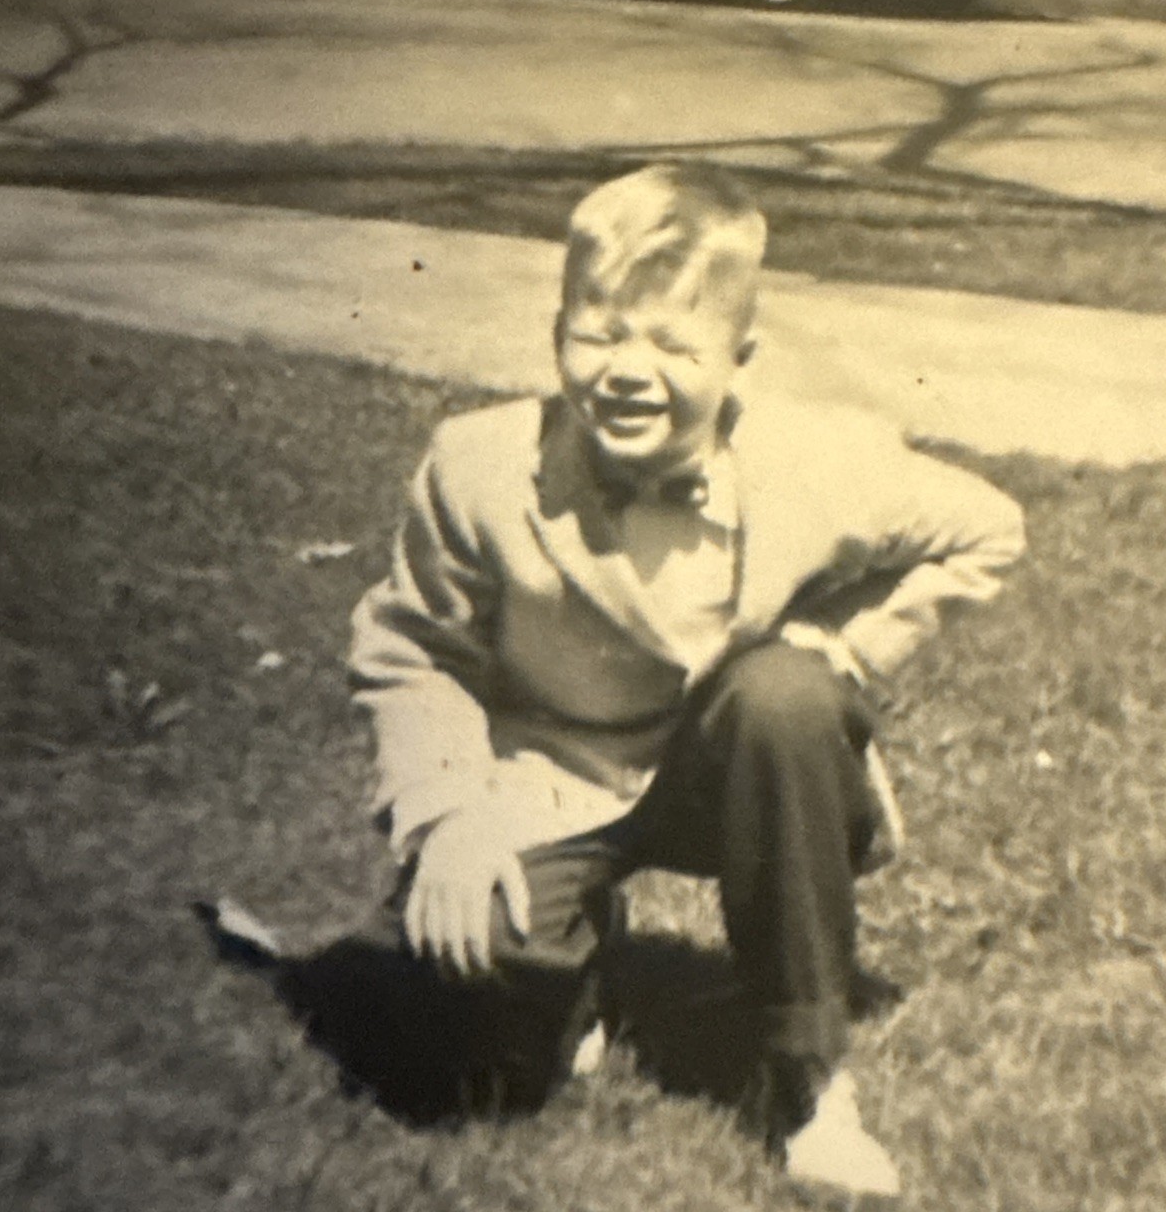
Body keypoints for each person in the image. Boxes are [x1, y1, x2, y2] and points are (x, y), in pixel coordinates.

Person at [348, 163, 1025, 1202]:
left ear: (739, 357)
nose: (629, 371)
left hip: (739, 771)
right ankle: (571, 976)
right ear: (556, 332)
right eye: (599, 334)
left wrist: (842, 644)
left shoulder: (820, 458)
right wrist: (447, 817)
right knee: (472, 1043)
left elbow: (990, 528)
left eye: (675, 346)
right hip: (556, 770)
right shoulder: (476, 465)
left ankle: (809, 1077)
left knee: (786, 694)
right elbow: (413, 650)